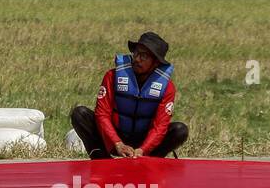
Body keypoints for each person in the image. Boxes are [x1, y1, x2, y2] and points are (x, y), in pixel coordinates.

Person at [70, 31, 188, 159]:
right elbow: (102, 114)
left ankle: (149, 163)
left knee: (180, 130)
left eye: (144, 56)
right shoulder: (112, 76)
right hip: (113, 138)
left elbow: (160, 126)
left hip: (145, 144)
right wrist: (118, 143)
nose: (137, 59)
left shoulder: (168, 88)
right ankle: (101, 160)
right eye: (136, 53)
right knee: (79, 114)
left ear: (156, 62)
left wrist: (143, 149)